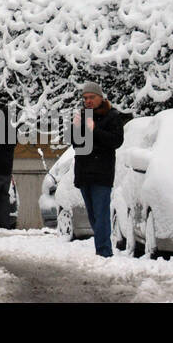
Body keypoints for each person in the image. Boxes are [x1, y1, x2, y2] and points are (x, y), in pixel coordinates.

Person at [71, 81, 129, 257]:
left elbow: (116, 141)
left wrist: (95, 130)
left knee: (101, 214)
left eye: (91, 97)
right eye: (85, 98)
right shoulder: (83, 115)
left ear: (100, 98)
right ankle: (101, 249)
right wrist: (76, 129)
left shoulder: (111, 116)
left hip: (101, 174)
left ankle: (104, 253)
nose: (88, 101)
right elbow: (76, 145)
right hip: (84, 173)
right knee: (93, 216)